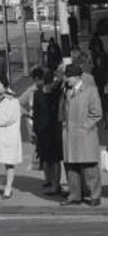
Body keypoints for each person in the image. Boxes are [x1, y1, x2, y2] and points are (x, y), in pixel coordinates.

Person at [59, 64, 103, 206]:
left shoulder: (91, 91)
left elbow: (96, 113)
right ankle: (75, 195)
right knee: (72, 167)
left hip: (85, 135)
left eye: (68, 77)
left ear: (76, 77)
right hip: (70, 135)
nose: (66, 79)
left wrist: (85, 127)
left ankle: (95, 196)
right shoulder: (67, 91)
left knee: (90, 167)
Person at [30, 67, 65, 195]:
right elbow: (36, 113)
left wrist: (58, 73)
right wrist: (35, 131)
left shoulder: (56, 92)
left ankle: (56, 186)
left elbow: (61, 81)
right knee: (46, 158)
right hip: (42, 131)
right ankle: (50, 181)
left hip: (54, 130)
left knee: (54, 159)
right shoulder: (37, 93)